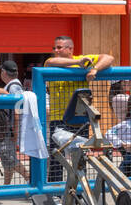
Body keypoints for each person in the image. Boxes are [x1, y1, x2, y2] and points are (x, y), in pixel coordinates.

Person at [44, 37, 114, 179]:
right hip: (58, 120)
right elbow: (50, 61)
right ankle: (55, 192)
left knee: (81, 157)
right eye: (54, 48)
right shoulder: (52, 63)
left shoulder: (85, 59)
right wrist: (78, 63)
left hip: (79, 119)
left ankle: (81, 191)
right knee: (56, 158)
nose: (55, 51)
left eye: (59, 47)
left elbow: (109, 58)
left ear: (70, 49)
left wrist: (94, 69)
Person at [0, 59, 35, 183]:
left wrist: (15, 130)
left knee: (10, 159)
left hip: (8, 131)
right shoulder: (12, 85)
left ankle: (31, 181)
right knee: (7, 159)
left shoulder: (13, 86)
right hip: (8, 130)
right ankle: (6, 185)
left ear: (3, 72)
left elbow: (17, 109)